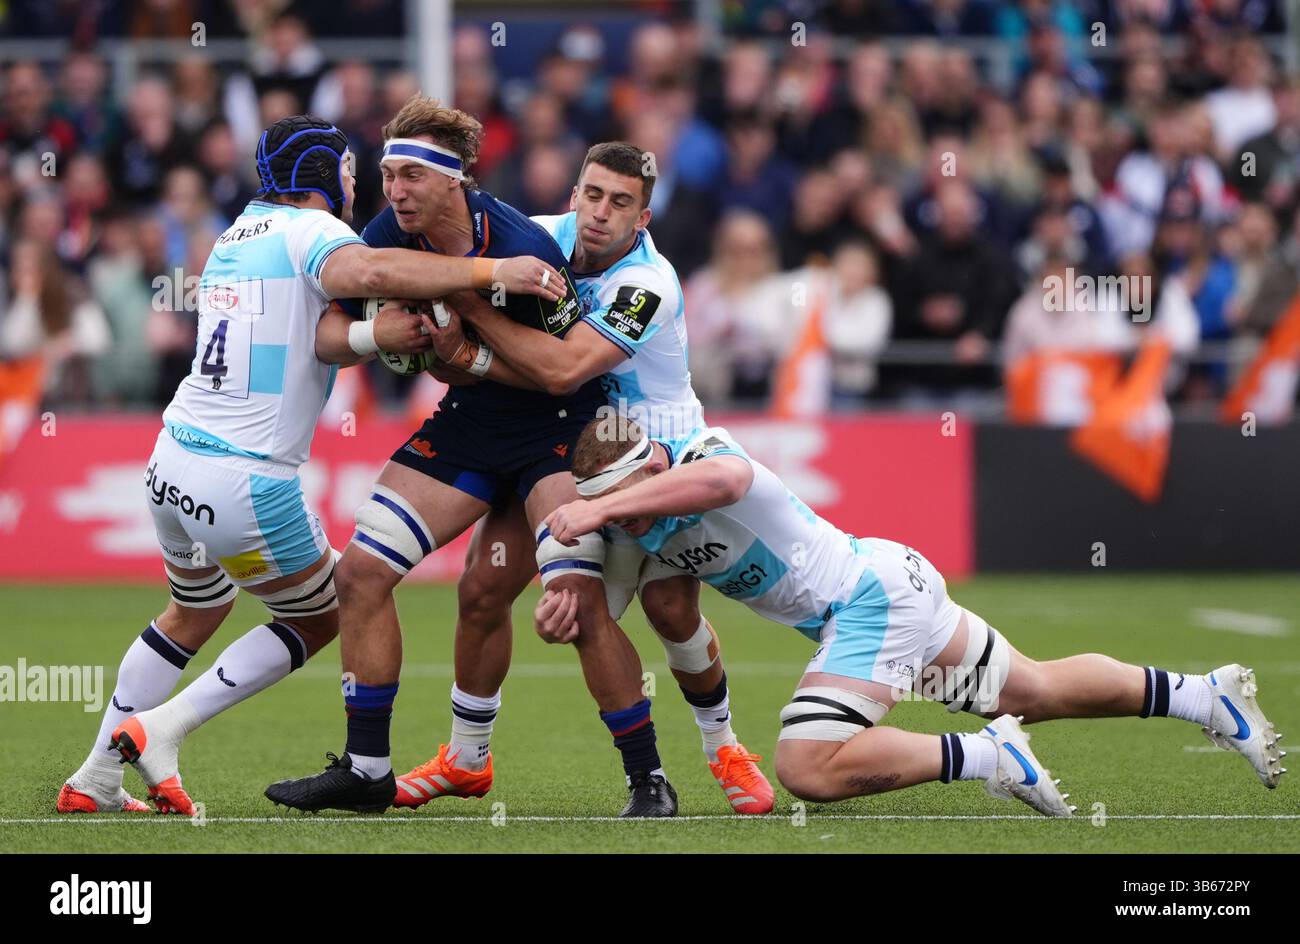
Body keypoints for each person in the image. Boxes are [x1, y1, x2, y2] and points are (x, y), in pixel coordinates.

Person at [57, 114, 562, 815]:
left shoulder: (237, 233)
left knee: (192, 611)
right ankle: (160, 731)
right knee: (325, 616)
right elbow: (373, 268)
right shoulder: (316, 230)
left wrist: (367, 332)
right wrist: (488, 271)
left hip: (171, 462)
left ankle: (95, 776)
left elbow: (305, 333)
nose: (365, 186)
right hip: (244, 479)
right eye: (355, 172)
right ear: (323, 176)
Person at [533, 415, 1286, 812]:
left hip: (872, 598)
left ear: (649, 472)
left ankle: (988, 756)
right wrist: (564, 605)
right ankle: (1202, 695)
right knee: (1039, 690)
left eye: (618, 506)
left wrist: (603, 509)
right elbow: (607, 616)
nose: (615, 524)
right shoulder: (634, 538)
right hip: (887, 589)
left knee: (806, 768)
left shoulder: (701, 453)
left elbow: (725, 483)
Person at [263, 99, 678, 818]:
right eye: (387, 174)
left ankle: (648, 777)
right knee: (362, 573)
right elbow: (329, 334)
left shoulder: (527, 248)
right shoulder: (389, 231)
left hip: (556, 431)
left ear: (454, 181)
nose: (394, 191)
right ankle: (370, 771)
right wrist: (381, 338)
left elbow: (561, 373)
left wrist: (468, 341)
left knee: (574, 601)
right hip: (472, 425)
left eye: (411, 177)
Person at [397, 141, 774, 816]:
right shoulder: (540, 239)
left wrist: (473, 316)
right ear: (575, 194)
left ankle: (720, 746)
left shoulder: (647, 283)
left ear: (644, 217)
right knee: (484, 589)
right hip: (563, 447)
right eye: (593, 195)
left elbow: (564, 369)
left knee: (670, 611)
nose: (601, 213)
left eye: (621, 202)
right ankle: (465, 757)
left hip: (652, 458)